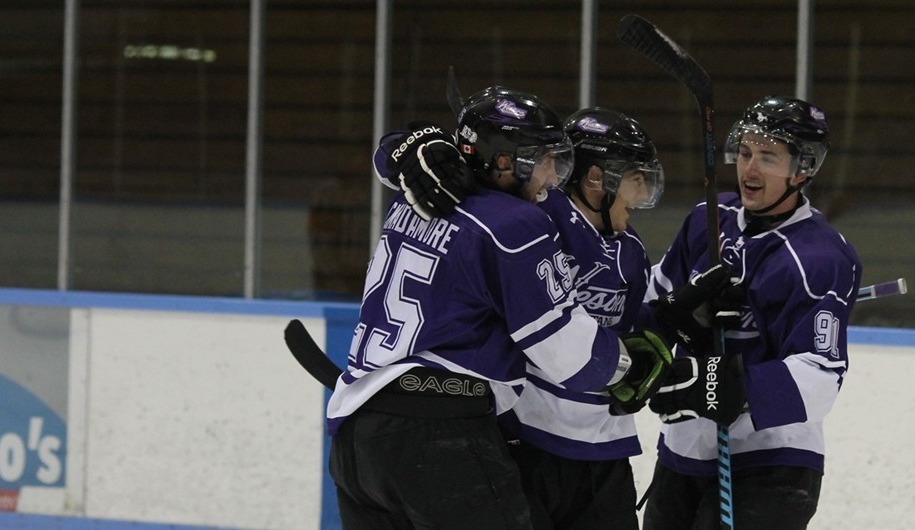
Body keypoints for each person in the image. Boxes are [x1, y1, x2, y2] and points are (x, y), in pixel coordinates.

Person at [325, 86, 677, 529]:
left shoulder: (416, 198)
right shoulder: (516, 223)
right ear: (506, 163)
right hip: (441, 433)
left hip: (353, 431)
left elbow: (394, 158)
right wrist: (634, 365)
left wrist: (409, 146)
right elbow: (571, 356)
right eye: (545, 160)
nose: (553, 178)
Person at [640, 96, 863, 529]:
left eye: (768, 157)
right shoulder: (709, 220)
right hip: (684, 450)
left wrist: (733, 384)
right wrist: (678, 316)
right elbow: (654, 302)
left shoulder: (819, 257)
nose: (750, 169)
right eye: (744, 153)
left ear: (803, 169)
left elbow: (821, 374)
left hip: (771, 461)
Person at [496, 107, 666, 529]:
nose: (642, 193)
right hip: (526, 440)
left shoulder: (631, 251)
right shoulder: (539, 217)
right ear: (596, 178)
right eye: (635, 178)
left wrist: (676, 317)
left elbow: (626, 339)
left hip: (603, 449)